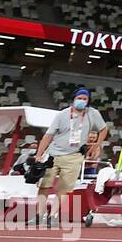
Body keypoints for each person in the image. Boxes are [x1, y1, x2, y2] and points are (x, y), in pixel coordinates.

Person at [35, 87, 107, 227]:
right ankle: (39, 214)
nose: (82, 101)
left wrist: (97, 144)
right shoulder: (62, 115)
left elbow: (103, 129)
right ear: (73, 100)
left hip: (74, 156)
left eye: (84, 99)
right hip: (54, 154)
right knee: (44, 185)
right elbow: (48, 135)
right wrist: (39, 154)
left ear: (88, 101)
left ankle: (52, 216)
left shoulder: (93, 114)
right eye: (79, 98)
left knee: (63, 188)